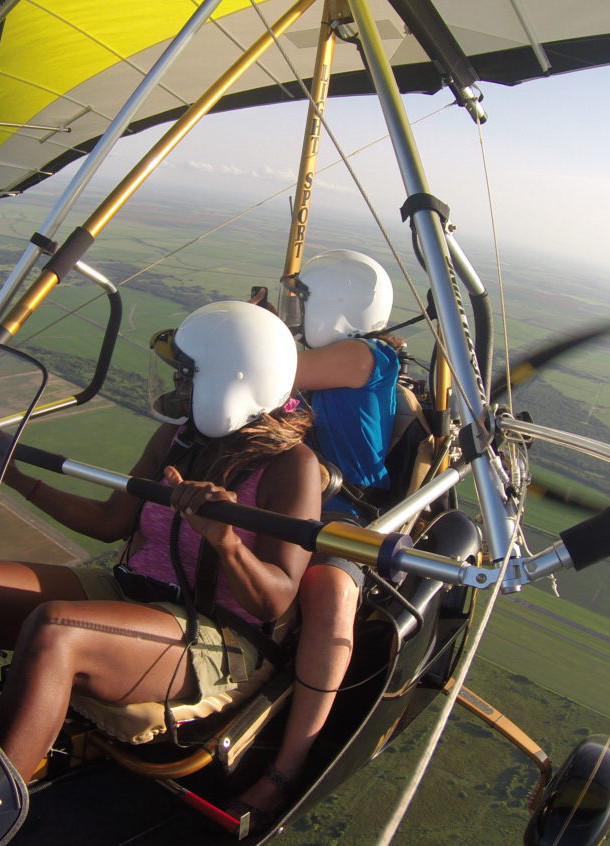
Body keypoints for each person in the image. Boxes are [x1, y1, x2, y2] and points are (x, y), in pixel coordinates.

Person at [0, 301, 323, 782]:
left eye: (187, 376)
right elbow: (109, 521)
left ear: (234, 381)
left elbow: (273, 601)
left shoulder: (293, 467)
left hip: (219, 637)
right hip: (133, 590)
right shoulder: (179, 439)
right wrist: (17, 478)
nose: (179, 387)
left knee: (58, 630)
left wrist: (227, 544)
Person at [234, 249, 403, 819]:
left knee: (330, 594)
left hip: (341, 507)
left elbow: (275, 372)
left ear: (339, 303)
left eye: (305, 299)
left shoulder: (363, 355)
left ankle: (289, 765)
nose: (298, 309)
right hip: (284, 484)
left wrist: (252, 333)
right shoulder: (328, 353)